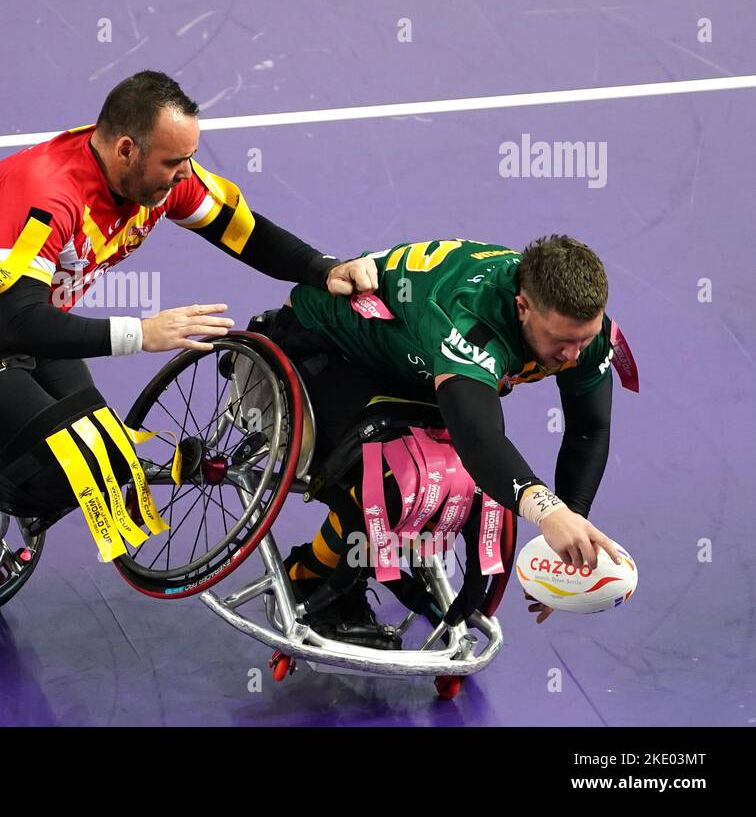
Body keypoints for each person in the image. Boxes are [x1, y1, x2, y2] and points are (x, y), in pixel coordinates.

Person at [0, 70, 378, 564]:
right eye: (174, 162)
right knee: (67, 473)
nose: (186, 174)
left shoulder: (159, 179)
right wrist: (141, 333)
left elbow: (240, 230)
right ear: (127, 149)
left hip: (27, 328)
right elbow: (16, 323)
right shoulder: (48, 196)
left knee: (108, 455)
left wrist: (320, 268)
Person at [257, 234, 632, 646]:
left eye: (584, 339)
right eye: (562, 342)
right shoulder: (469, 318)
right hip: (327, 343)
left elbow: (587, 428)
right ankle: (308, 575)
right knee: (390, 480)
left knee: (460, 487)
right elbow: (479, 438)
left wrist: (570, 519)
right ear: (522, 307)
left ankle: (371, 550)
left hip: (410, 361)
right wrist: (546, 512)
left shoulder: (580, 329)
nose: (575, 356)